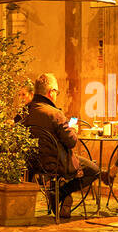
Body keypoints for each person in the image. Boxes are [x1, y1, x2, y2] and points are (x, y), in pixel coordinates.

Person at [18, 72, 99, 218]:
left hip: (31, 164)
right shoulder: (55, 114)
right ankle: (60, 193)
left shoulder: (23, 112)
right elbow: (71, 142)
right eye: (57, 92)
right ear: (51, 92)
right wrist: (73, 130)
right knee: (94, 170)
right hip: (56, 163)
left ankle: (59, 194)